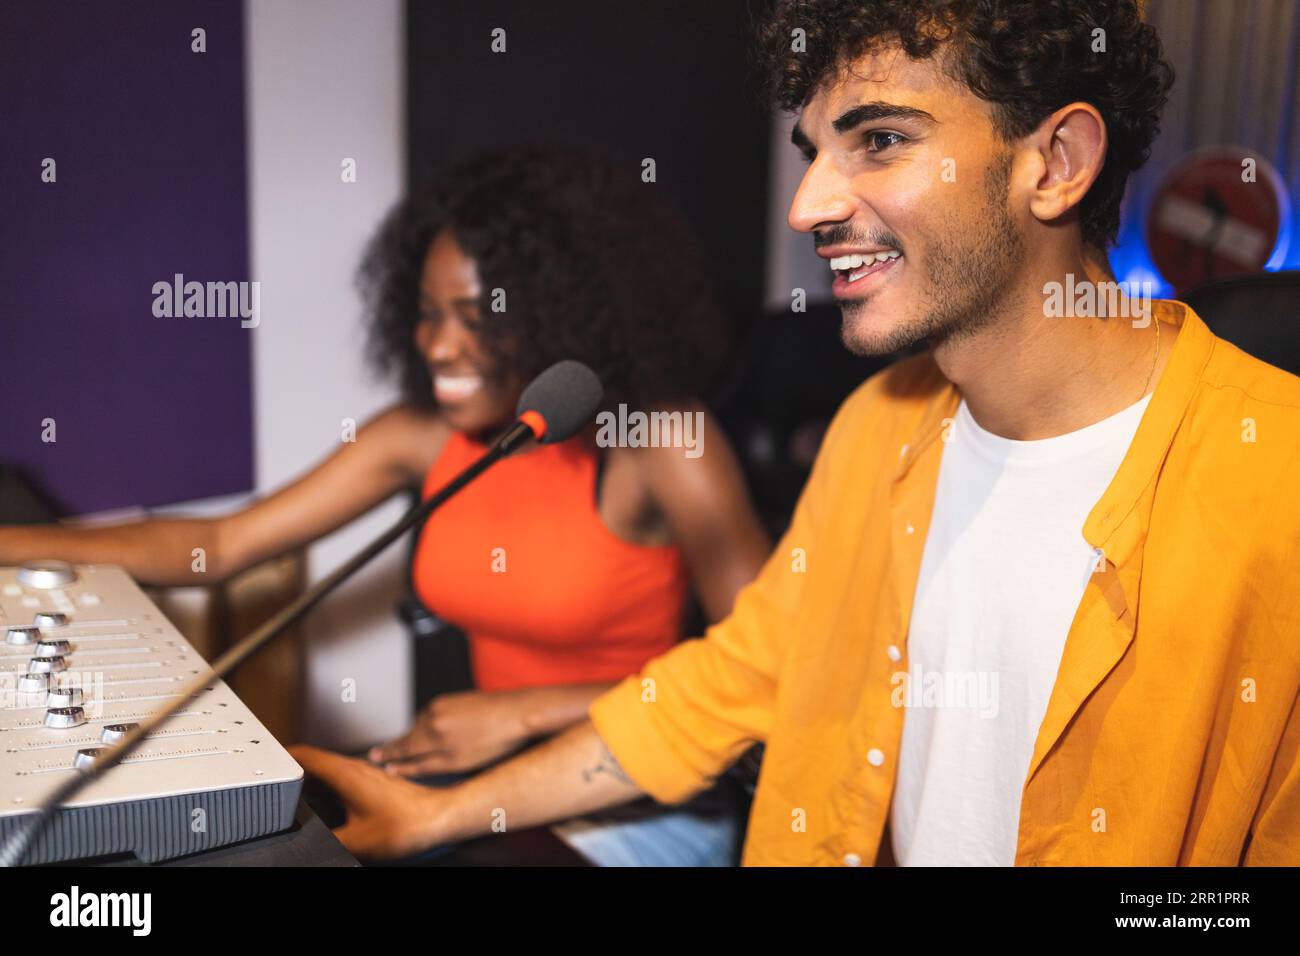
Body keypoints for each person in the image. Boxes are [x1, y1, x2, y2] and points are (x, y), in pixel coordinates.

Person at [292, 0, 1300, 866]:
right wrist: (442, 811)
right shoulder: (879, 425)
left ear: (1056, 163)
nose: (810, 204)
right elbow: (736, 679)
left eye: (879, 140)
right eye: (814, 152)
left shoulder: (1276, 480)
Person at [0, 143, 771, 866]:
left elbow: (763, 678)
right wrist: (12, 545)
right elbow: (223, 543)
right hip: (487, 771)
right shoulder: (424, 436)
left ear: (566, 313)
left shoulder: (667, 443)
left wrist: (526, 710)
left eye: (478, 317)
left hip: (642, 790)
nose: (438, 346)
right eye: (431, 313)